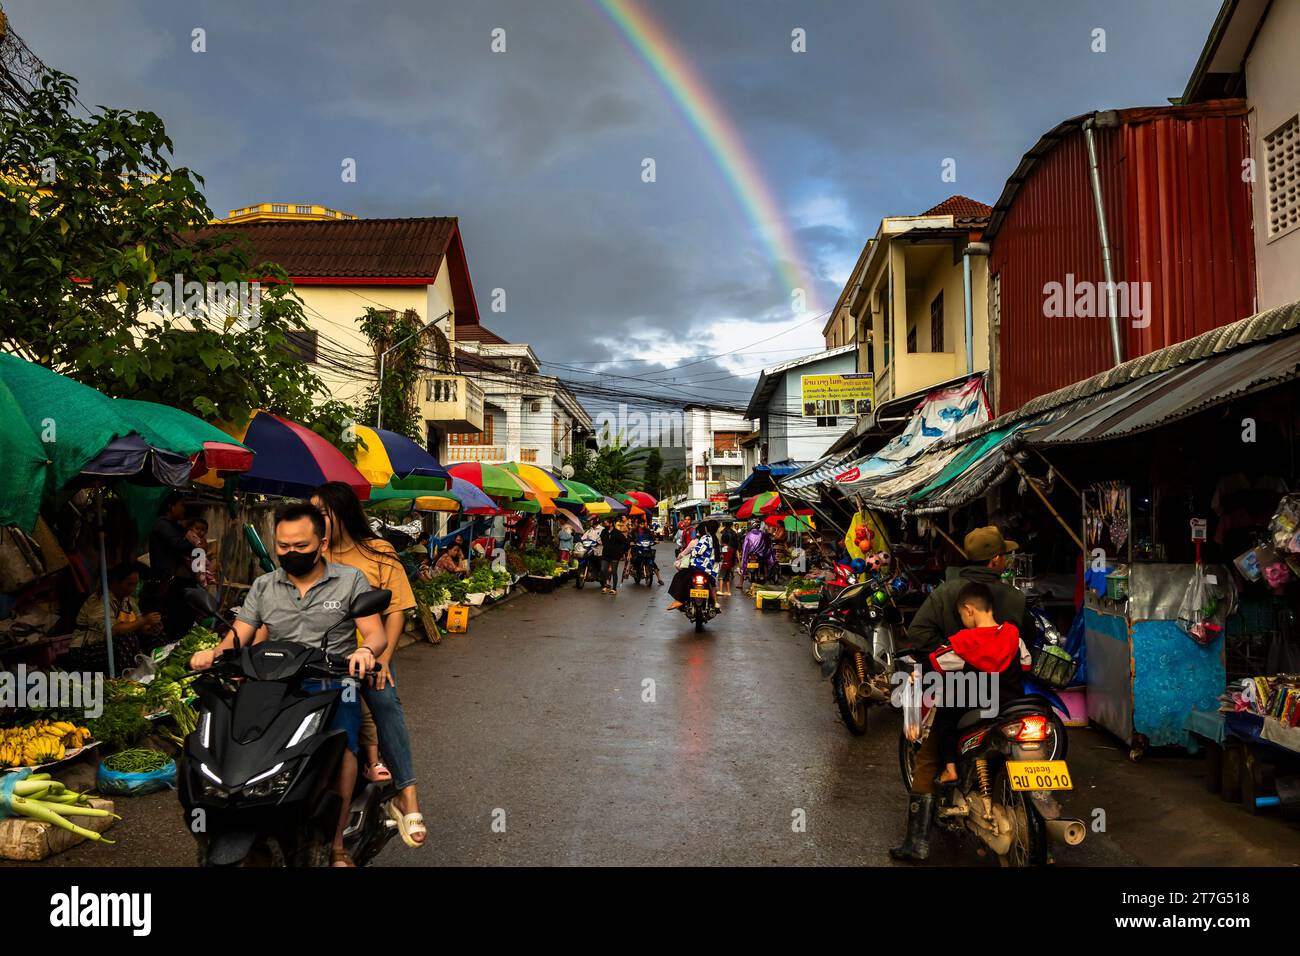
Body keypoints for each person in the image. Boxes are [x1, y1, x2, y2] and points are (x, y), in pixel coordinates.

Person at [189, 502, 387, 867]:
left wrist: (365, 652)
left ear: (322, 543)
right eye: (283, 546)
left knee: (342, 750)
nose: (290, 553)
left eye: (299, 546)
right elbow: (241, 634)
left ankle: (338, 846)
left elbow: (374, 633)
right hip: (271, 684)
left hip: (330, 683)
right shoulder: (264, 585)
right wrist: (213, 653)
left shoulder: (350, 580)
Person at [889, 525, 1031, 863]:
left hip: (960, 691)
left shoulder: (945, 594)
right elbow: (1026, 650)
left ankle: (917, 842)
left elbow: (918, 634)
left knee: (928, 757)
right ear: (996, 560)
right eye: (1004, 556)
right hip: (1007, 696)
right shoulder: (1014, 598)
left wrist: (946, 657)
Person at [311, 482, 427, 850]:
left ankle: (405, 794)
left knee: (385, 702)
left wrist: (383, 659)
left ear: (343, 514)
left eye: (323, 515)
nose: (317, 522)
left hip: (368, 659)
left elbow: (396, 611)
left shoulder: (378, 552)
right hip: (319, 661)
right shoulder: (313, 555)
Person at [928, 582, 1031, 785]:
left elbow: (936, 663)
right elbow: (1026, 664)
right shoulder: (1013, 635)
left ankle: (950, 770)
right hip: (1011, 702)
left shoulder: (964, 641)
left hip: (978, 703)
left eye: (961, 615)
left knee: (944, 714)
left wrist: (916, 674)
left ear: (968, 610)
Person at [71, 561, 162, 674]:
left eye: (135, 584)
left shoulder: (128, 601)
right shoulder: (100, 601)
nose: (133, 589)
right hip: (85, 650)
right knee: (123, 639)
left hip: (113, 645)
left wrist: (150, 627)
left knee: (154, 636)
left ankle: (159, 668)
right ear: (115, 582)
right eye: (129, 584)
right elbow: (112, 630)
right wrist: (143, 621)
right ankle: (128, 679)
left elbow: (140, 627)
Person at [147, 492, 198, 639]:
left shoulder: (175, 526)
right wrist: (197, 545)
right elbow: (180, 545)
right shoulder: (162, 525)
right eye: (181, 505)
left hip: (177, 580)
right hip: (166, 581)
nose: (184, 509)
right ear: (171, 506)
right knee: (173, 622)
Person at [666, 519, 720, 610]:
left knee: (679, 577)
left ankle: (679, 600)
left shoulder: (706, 539)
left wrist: (692, 554)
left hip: (699, 567)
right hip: (711, 571)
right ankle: (715, 602)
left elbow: (697, 551)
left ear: (705, 529)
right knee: (712, 584)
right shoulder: (715, 540)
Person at [601, 517, 629, 594]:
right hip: (605, 554)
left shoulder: (617, 533)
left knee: (614, 571)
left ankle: (614, 589)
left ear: (610, 523)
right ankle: (605, 586)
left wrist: (621, 552)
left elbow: (626, 543)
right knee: (603, 570)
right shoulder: (603, 532)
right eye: (604, 523)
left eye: (606, 523)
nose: (605, 524)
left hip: (615, 555)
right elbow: (603, 541)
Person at [718, 521, 738, 596]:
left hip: (724, 563)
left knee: (721, 577)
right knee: (727, 577)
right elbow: (736, 544)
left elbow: (722, 556)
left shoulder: (723, 532)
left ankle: (720, 590)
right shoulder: (734, 533)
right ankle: (729, 591)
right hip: (731, 558)